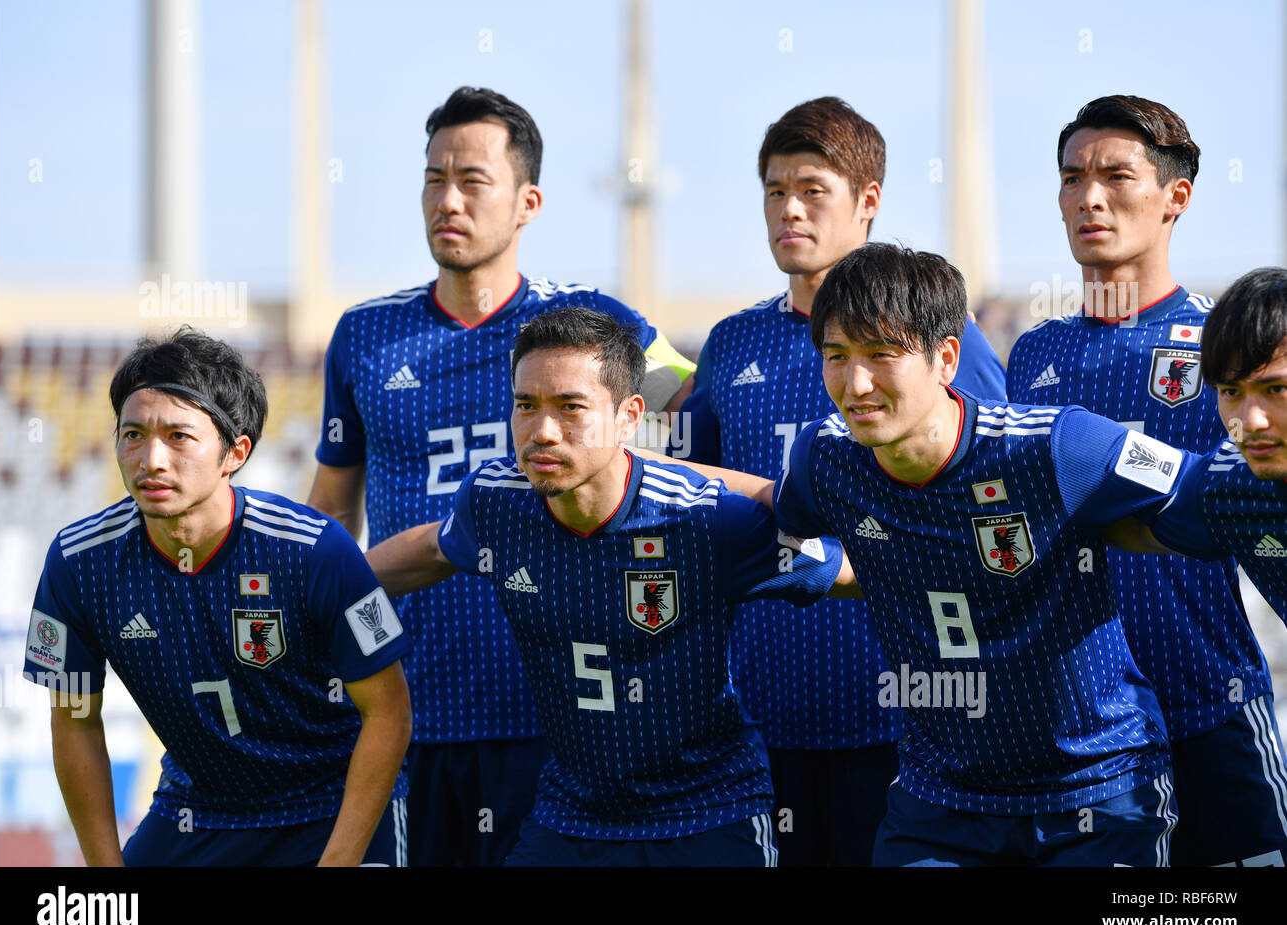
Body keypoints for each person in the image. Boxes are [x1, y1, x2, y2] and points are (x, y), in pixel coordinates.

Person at [307, 87, 696, 866]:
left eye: (473, 180)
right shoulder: (364, 336)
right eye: (432, 179)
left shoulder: (592, 324)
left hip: (557, 714)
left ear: (528, 201)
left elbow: (696, 414)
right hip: (407, 714)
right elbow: (329, 517)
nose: (447, 200)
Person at [366, 307, 855, 866]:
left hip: (708, 816)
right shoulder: (494, 502)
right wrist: (325, 590)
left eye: (571, 408)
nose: (543, 432)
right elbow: (431, 548)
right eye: (526, 406)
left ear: (629, 418)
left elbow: (848, 572)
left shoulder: (703, 520)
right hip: (571, 818)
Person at [772, 243, 1189, 866]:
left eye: (881, 355)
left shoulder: (1058, 444)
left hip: (1098, 797)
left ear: (946, 359)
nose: (855, 383)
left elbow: (1200, 492)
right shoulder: (823, 460)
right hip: (941, 804)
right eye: (836, 356)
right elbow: (755, 525)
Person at [677, 97, 1007, 865]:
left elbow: (990, 510)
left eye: (812, 190)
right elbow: (686, 499)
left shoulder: (939, 342)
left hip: (906, 718)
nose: (789, 209)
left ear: (868, 202)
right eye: (774, 190)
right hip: (759, 723)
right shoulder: (729, 345)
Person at [1006, 95, 1278, 866]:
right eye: (1072, 177)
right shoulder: (1031, 355)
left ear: (1175, 197)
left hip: (1207, 700)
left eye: (1116, 175)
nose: (1089, 197)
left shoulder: (1227, 341)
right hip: (1079, 730)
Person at [23, 328, 411, 866]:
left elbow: (389, 711)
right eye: (132, 434)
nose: (151, 459)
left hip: (332, 805)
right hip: (196, 812)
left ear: (235, 452)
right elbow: (74, 719)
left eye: (178, 437)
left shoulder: (316, 550)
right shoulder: (77, 564)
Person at [1116, 268, 1287, 866]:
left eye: (1276, 389)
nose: (1252, 421)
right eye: (1232, 392)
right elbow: (1126, 511)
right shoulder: (1232, 487)